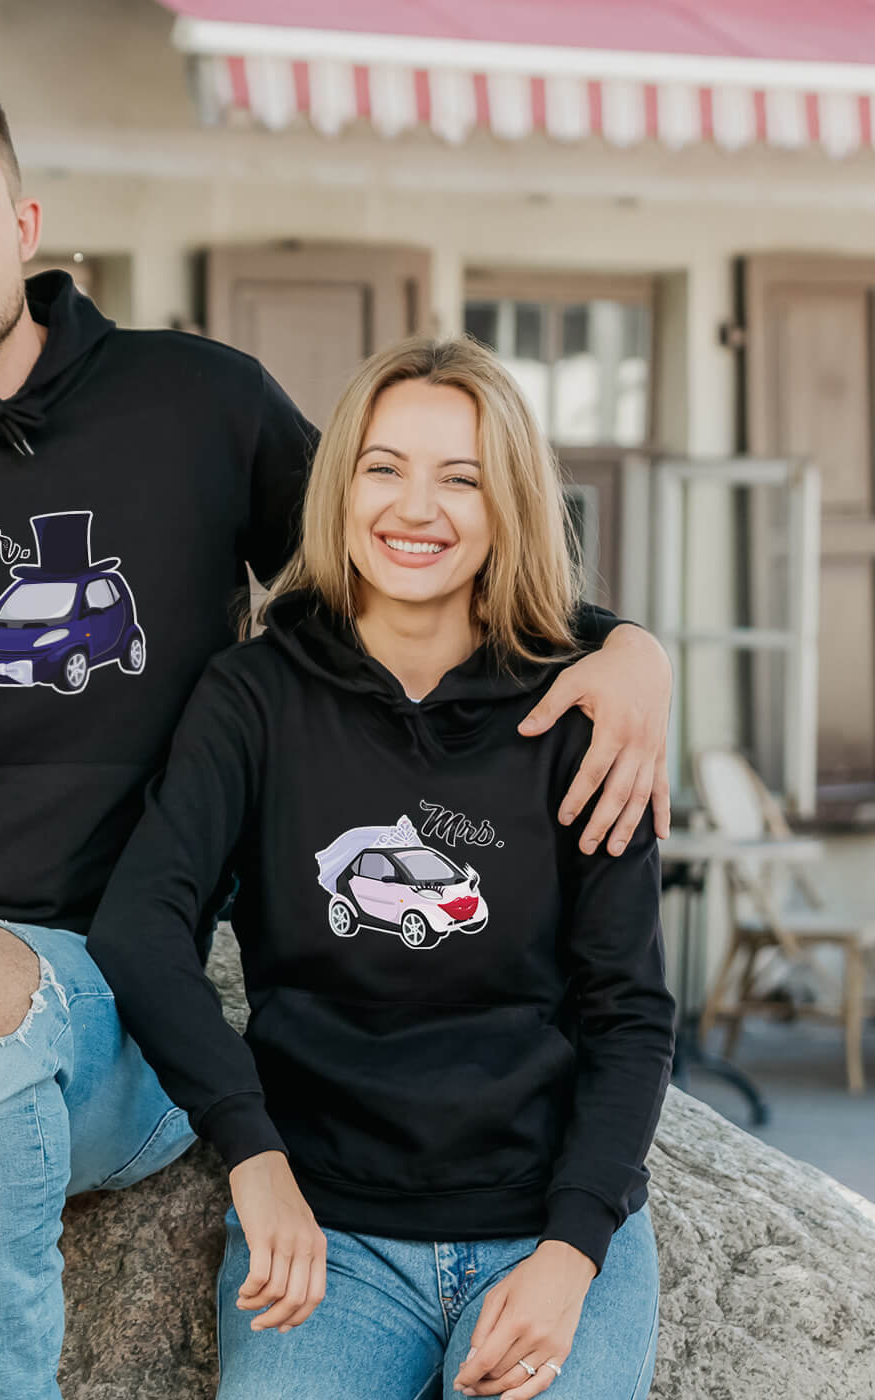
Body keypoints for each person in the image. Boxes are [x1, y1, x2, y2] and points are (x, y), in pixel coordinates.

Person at [0, 64, 675, 1399]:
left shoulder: (199, 406)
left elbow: (389, 555)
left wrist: (621, 644)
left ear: (25, 224)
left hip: (92, 994)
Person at [87, 336, 674, 1400]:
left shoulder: (577, 710)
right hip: (331, 1235)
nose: (417, 507)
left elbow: (629, 1011)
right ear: (339, 484)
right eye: (383, 466)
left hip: (537, 1228)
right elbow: (138, 928)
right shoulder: (252, 698)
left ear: (508, 505)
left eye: (462, 477)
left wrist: (570, 1251)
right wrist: (253, 1157)